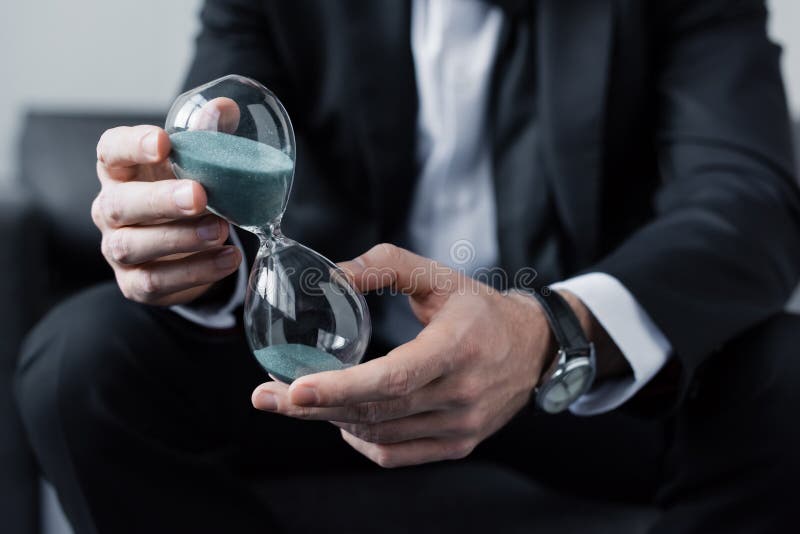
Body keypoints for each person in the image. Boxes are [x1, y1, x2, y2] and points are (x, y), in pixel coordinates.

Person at [14, 0, 800, 532]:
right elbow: (222, 163)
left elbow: (743, 196)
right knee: (78, 360)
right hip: (323, 361)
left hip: (565, 373)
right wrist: (190, 235)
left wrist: (547, 330)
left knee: (784, 379)